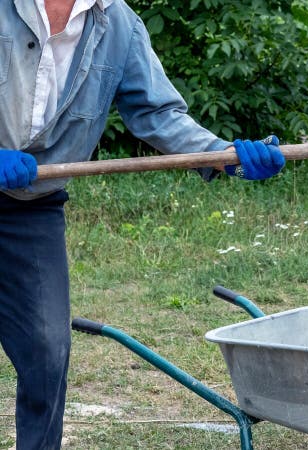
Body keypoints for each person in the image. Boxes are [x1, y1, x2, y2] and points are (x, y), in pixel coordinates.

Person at [0, 1, 285, 448]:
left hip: (32, 207)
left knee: (46, 352)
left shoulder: (117, 23)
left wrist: (226, 156)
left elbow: (157, 113)